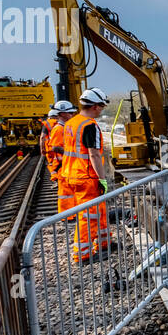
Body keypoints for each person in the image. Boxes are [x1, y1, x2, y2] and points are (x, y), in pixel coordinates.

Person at [61, 88, 113, 262]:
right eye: (102, 107)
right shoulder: (89, 125)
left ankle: (104, 242)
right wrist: (102, 179)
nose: (102, 110)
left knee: (100, 209)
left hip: (72, 174)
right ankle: (82, 254)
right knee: (88, 216)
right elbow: (94, 154)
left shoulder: (71, 123)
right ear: (96, 106)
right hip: (86, 177)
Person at [46, 100, 76, 216]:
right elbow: (56, 147)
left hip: (66, 164)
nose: (72, 115)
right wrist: (72, 154)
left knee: (69, 192)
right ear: (63, 114)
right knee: (65, 193)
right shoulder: (58, 129)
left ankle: (70, 214)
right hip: (62, 166)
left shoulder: (65, 127)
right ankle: (67, 216)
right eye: (70, 113)